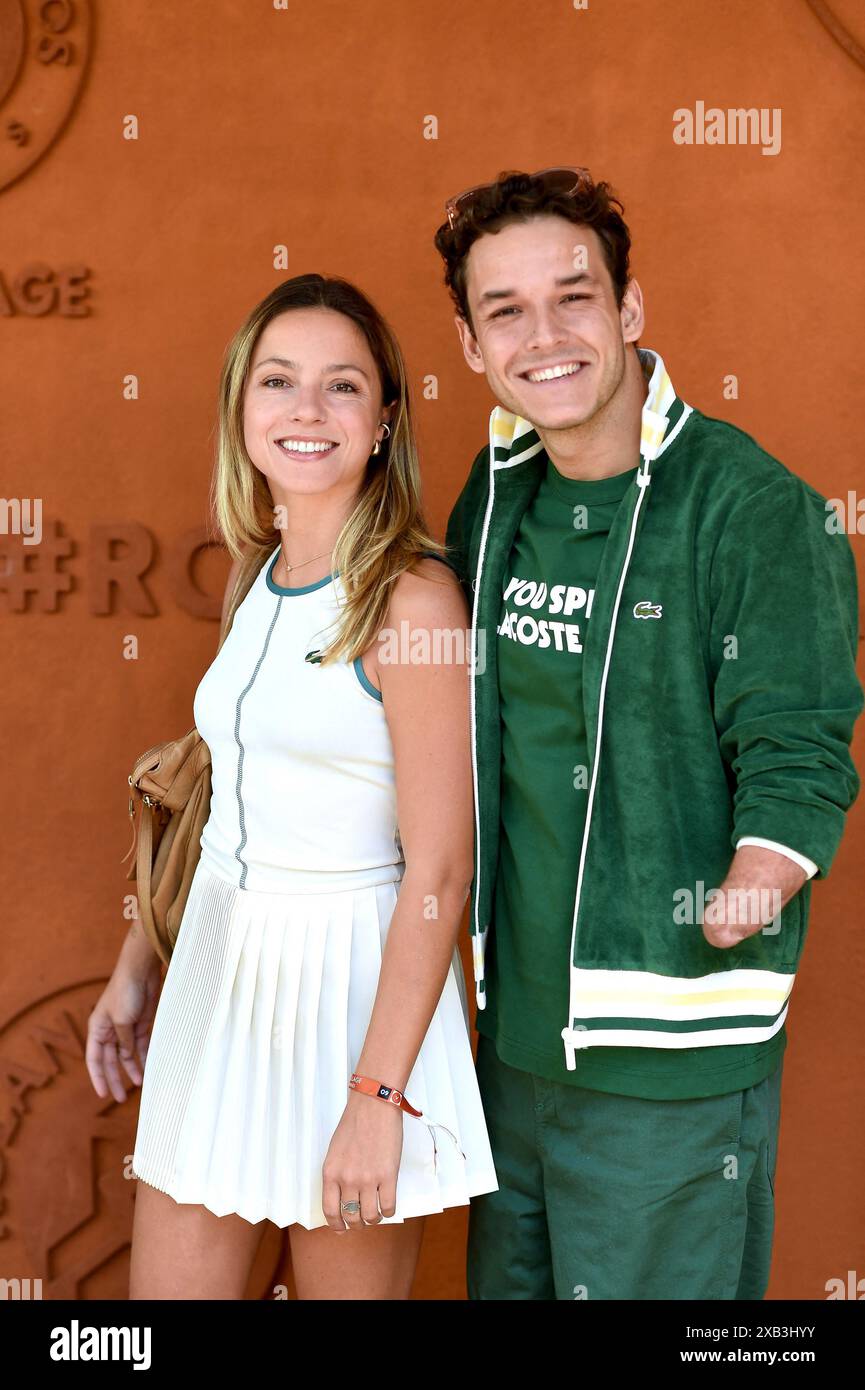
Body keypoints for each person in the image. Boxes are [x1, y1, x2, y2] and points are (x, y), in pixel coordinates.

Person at [433, 167, 863, 1300]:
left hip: (671, 1055)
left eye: (573, 297)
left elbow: (802, 732)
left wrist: (759, 871)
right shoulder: (495, 490)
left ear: (628, 311)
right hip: (512, 1051)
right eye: (504, 311)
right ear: (471, 346)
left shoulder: (751, 506)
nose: (544, 335)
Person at [86, 273, 498, 1300]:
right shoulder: (256, 573)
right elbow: (220, 792)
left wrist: (376, 1094)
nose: (306, 411)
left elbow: (442, 865)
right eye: (278, 381)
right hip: (217, 989)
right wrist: (141, 960)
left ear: (383, 419)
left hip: (351, 1005)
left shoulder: (412, 595)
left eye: (342, 386)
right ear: (240, 408)